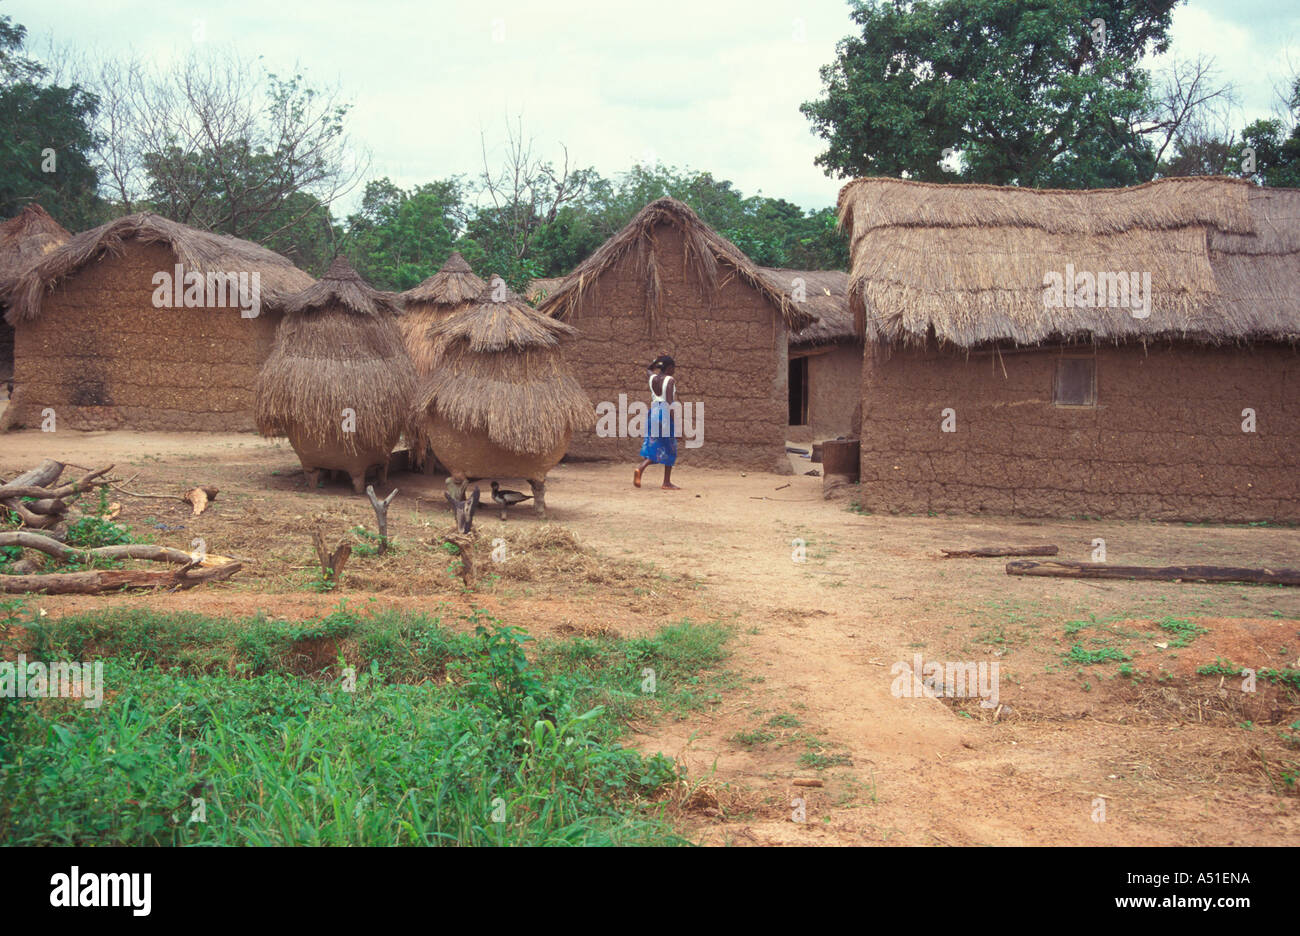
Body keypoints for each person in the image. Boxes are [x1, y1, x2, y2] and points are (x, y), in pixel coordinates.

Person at [634, 355, 680, 490]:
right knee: (670, 447)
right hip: (665, 413)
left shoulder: (652, 377)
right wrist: (677, 425)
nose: (674, 371)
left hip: (653, 412)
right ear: (670, 368)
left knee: (655, 443)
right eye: (673, 368)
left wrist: (656, 362)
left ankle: (641, 468)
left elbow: (649, 368)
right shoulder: (670, 380)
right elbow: (670, 403)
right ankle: (666, 482)